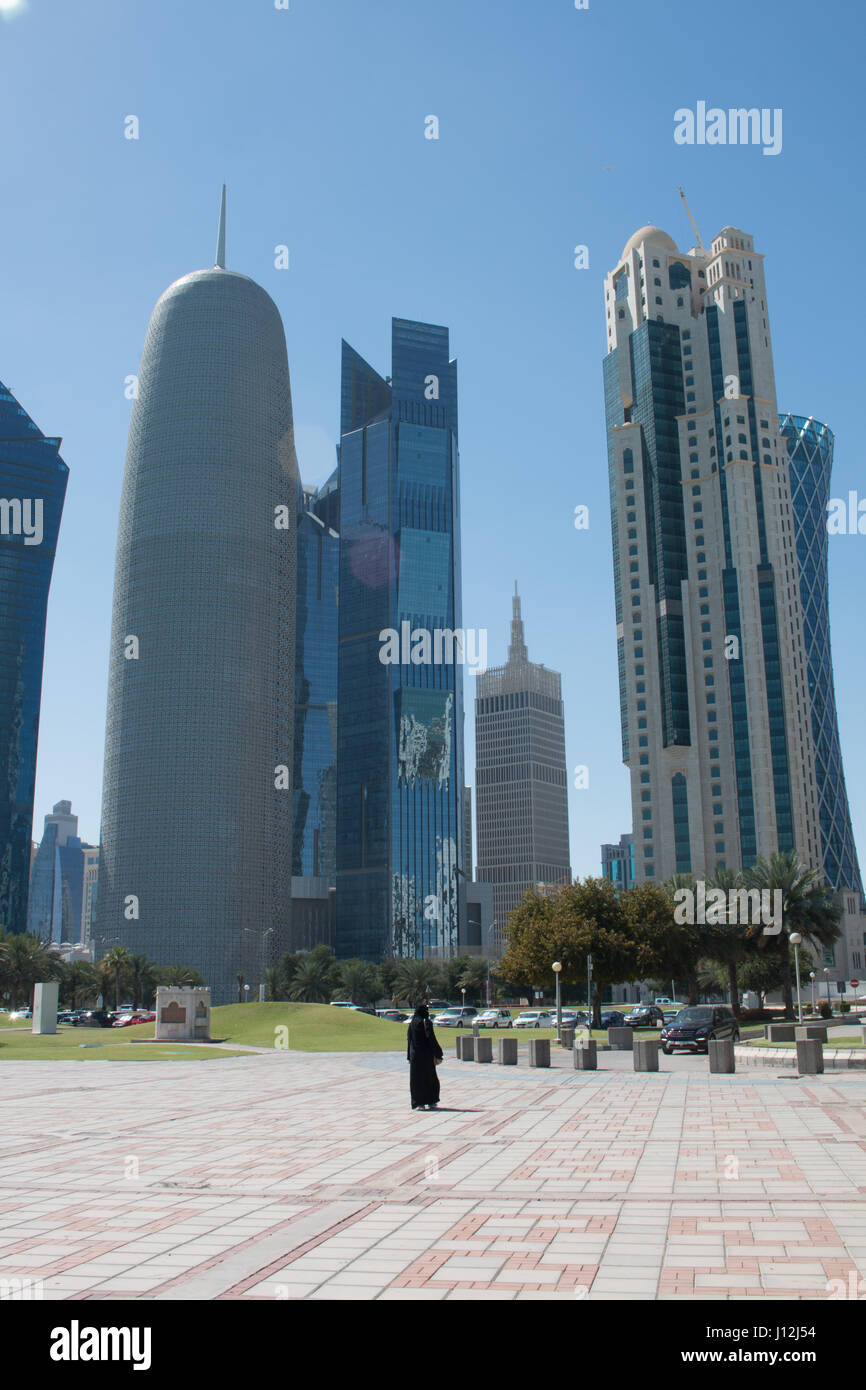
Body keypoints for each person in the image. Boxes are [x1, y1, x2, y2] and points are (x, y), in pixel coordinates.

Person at [407, 1003, 443, 1110]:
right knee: (430, 1078)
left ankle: (419, 1103)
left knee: (417, 1080)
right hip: (426, 1056)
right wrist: (438, 1053)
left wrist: (409, 1056)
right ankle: (431, 1100)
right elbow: (431, 1039)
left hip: (415, 1056)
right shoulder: (426, 1022)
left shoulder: (412, 1023)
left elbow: (409, 1040)